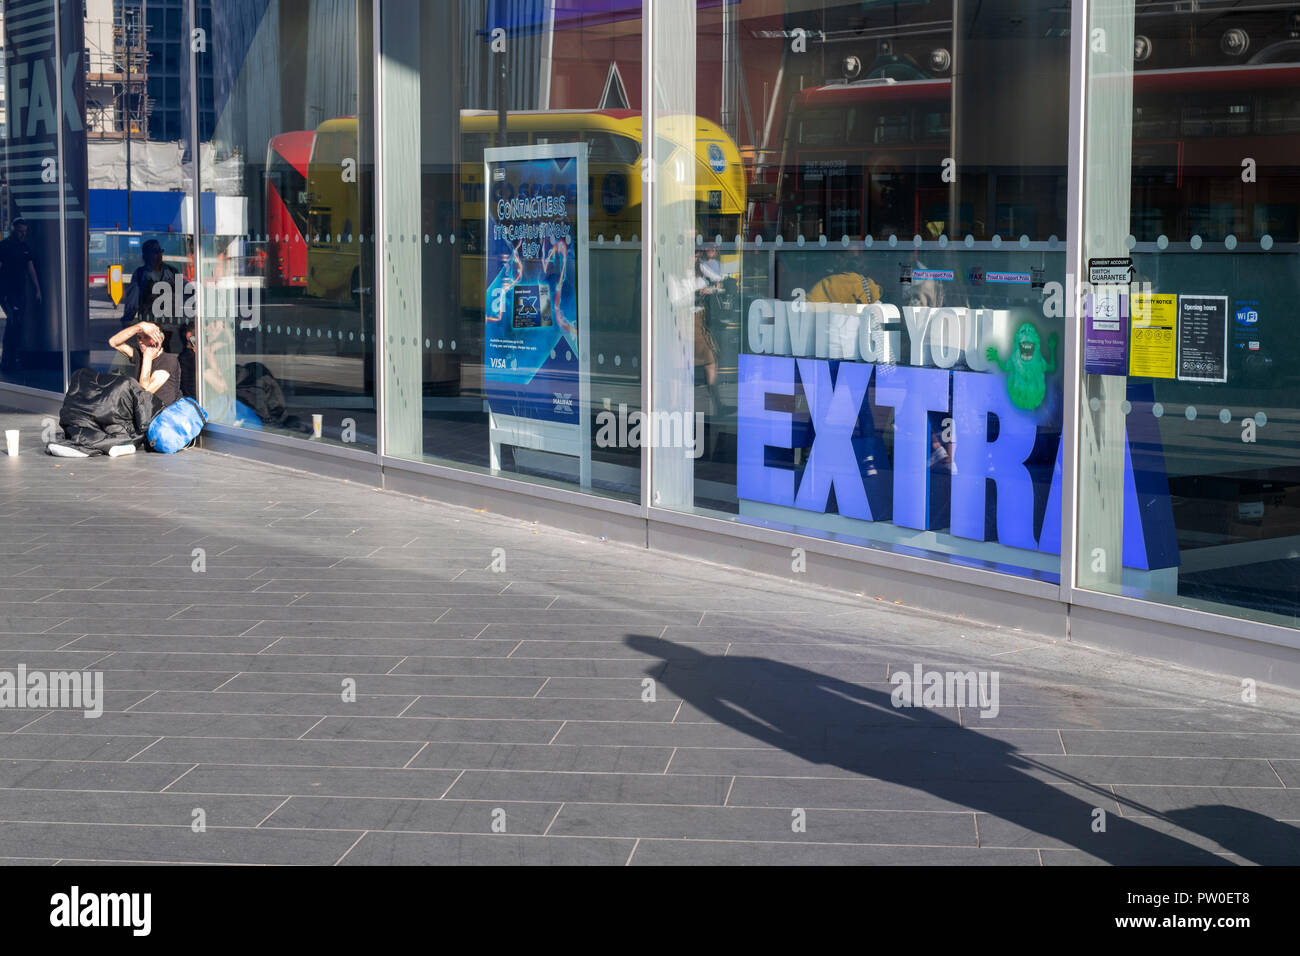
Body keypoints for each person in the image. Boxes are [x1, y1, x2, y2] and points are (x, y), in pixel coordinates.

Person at [108, 319, 181, 413]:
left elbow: (144, 392)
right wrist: (139, 327)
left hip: (162, 418)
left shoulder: (168, 360)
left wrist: (147, 357)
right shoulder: (140, 355)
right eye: (139, 338)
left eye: (146, 337)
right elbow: (113, 342)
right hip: (144, 415)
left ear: (161, 337)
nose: (141, 341)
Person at [0, 218, 42, 374]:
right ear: (13, 230)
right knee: (13, 320)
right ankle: (7, 360)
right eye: (19, 231)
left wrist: (37, 289)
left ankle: (12, 359)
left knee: (17, 325)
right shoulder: (4, 246)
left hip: (20, 292)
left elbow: (31, 270)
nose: (22, 234)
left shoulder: (25, 248)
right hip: (6, 292)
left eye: (24, 232)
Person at [120, 239, 181, 330]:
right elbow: (133, 300)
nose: (159, 255)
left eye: (159, 251)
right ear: (146, 255)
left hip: (170, 326)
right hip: (149, 325)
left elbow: (182, 299)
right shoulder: (140, 274)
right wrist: (127, 319)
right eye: (155, 252)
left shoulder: (173, 272)